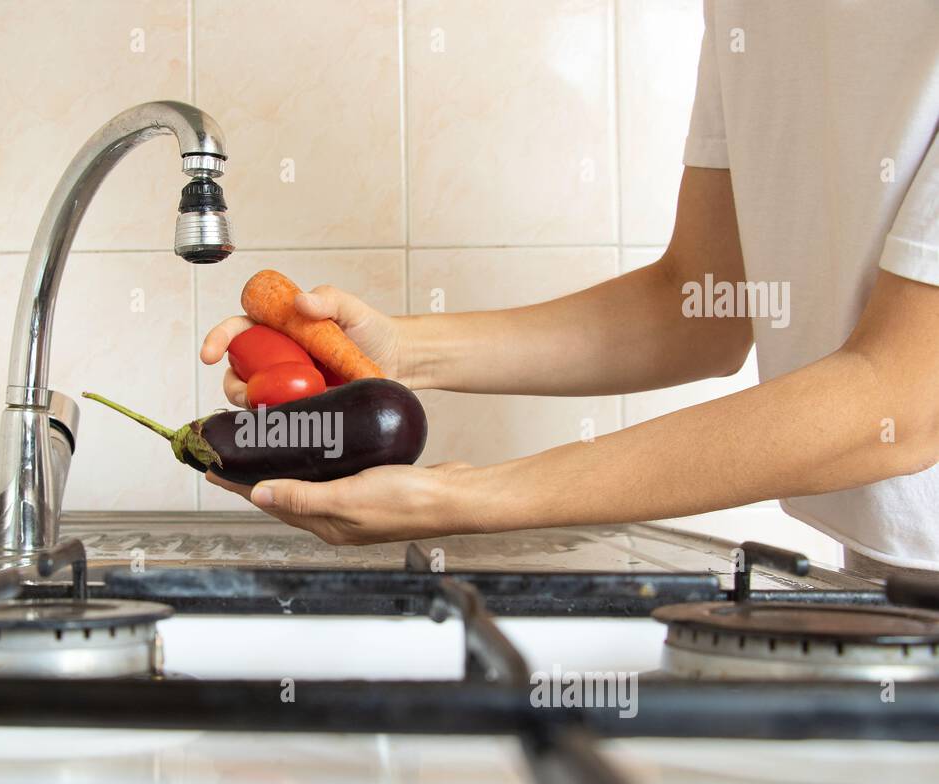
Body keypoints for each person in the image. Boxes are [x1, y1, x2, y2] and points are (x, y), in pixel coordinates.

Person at [199, 0, 939, 574]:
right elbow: (700, 305)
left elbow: (903, 400)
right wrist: (400, 353)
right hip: (878, 583)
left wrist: (468, 497)